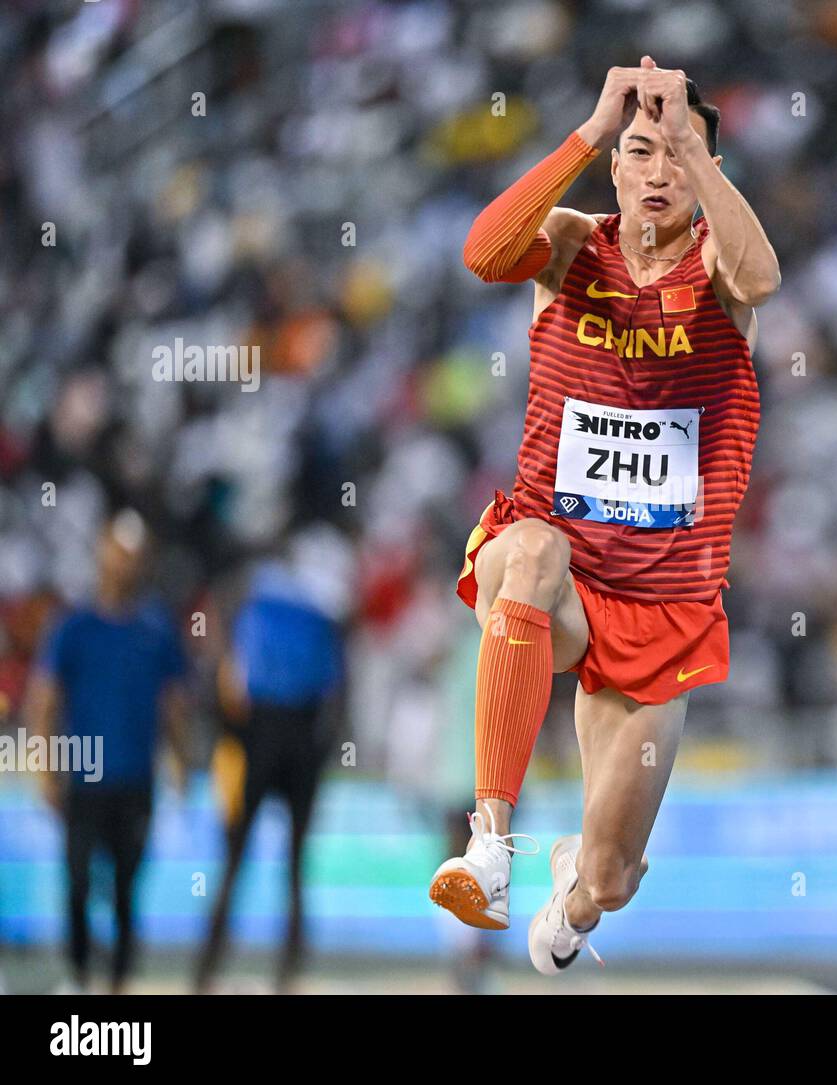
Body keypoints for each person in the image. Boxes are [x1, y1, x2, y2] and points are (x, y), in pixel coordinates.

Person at [428, 56, 780, 973]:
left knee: (617, 874)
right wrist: (589, 127)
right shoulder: (572, 242)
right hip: (568, 582)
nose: (656, 172)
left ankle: (571, 896)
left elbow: (764, 278)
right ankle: (491, 844)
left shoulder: (717, 263)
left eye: (677, 155)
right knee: (530, 552)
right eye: (638, 152)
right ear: (614, 167)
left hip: (666, 610)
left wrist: (698, 158)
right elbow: (481, 253)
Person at [27, 509, 189, 994]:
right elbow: (45, 700)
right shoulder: (74, 626)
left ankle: (117, 985)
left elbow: (175, 704)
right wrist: (46, 767)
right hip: (85, 777)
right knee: (77, 884)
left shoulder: (157, 628)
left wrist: (180, 762)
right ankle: (79, 978)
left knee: (124, 891)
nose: (125, 566)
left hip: (135, 780)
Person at [194, 534, 348, 994]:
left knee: (237, 855)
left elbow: (219, 633)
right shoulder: (321, 605)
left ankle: (205, 973)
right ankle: (285, 977)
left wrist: (226, 723)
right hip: (298, 732)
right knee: (294, 862)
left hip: (260, 731)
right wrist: (325, 746)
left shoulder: (255, 594)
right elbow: (338, 686)